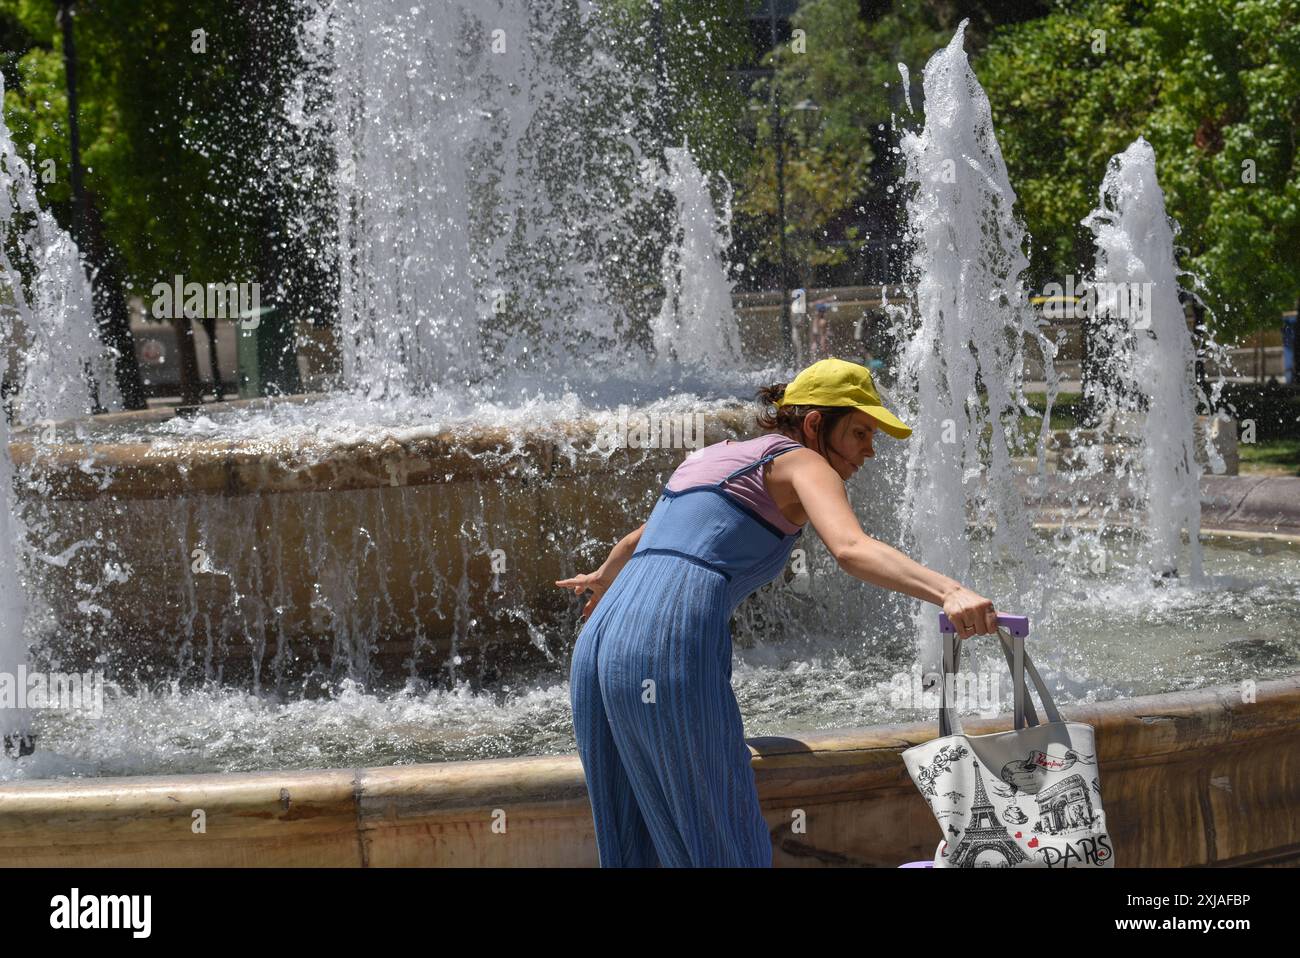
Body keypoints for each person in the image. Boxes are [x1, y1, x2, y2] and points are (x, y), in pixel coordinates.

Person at [555, 357, 999, 867]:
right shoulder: (802, 461)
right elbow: (851, 548)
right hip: (665, 635)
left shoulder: (712, 456)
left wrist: (604, 579)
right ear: (814, 423)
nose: (869, 450)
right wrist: (950, 591)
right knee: (722, 847)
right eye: (859, 432)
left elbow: (637, 540)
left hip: (601, 640)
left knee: (632, 845)